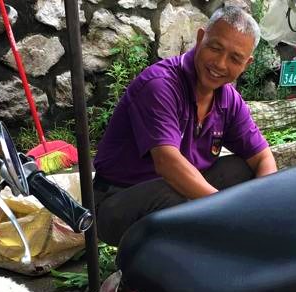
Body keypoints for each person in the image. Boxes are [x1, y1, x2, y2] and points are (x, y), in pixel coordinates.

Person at [91, 6, 278, 246]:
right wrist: (226, 210)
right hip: (115, 201)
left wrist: (267, 205)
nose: (220, 64)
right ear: (201, 38)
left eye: (234, 58)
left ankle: (229, 241)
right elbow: (167, 163)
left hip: (173, 192)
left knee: (245, 170)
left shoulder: (229, 99)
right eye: (215, 48)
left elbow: (263, 158)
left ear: (246, 64)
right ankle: (151, 272)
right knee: (176, 198)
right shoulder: (160, 86)